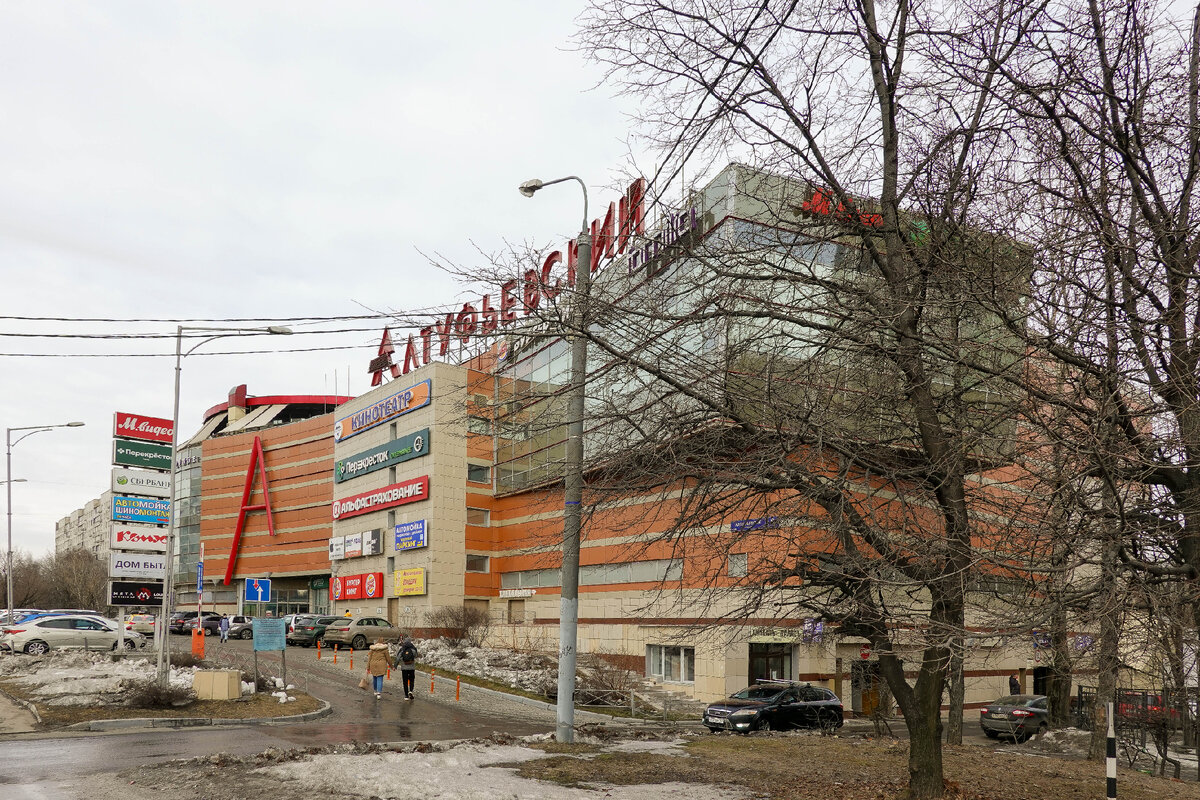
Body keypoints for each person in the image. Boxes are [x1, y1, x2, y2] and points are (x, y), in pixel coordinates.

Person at [396, 634, 418, 700]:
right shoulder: (413, 649)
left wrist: (395, 665)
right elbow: (416, 656)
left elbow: (398, 658)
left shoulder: (402, 649)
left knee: (405, 681)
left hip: (404, 668)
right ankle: (410, 691)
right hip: (411, 668)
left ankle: (406, 696)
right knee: (411, 680)